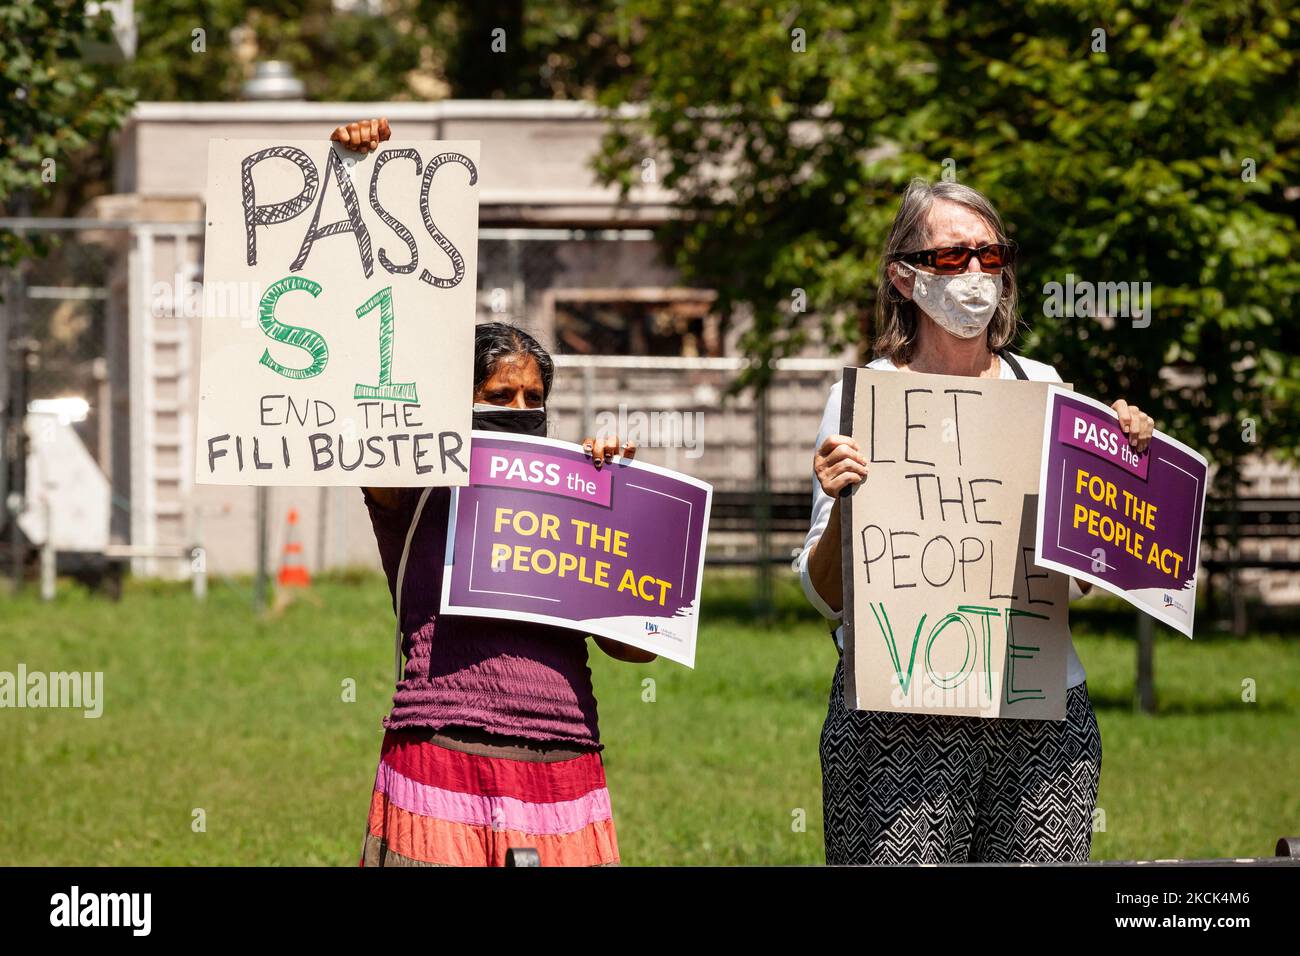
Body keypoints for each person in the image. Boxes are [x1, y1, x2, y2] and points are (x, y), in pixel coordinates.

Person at [797, 178, 1156, 865]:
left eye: (990, 257)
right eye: (952, 257)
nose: (974, 274)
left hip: (1041, 722)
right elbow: (824, 596)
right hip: (895, 722)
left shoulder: (1046, 391)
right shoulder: (864, 398)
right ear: (903, 279)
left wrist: (1122, 470)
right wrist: (844, 504)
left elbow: (1084, 584)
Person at [336, 120, 646, 866]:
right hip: (440, 744)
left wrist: (619, 500)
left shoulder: (580, 488)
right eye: (497, 394)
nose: (518, 409)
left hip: (562, 749)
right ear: (455, 398)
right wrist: (361, 178)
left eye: (531, 396)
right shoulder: (413, 481)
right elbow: (367, 366)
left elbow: (634, 649)